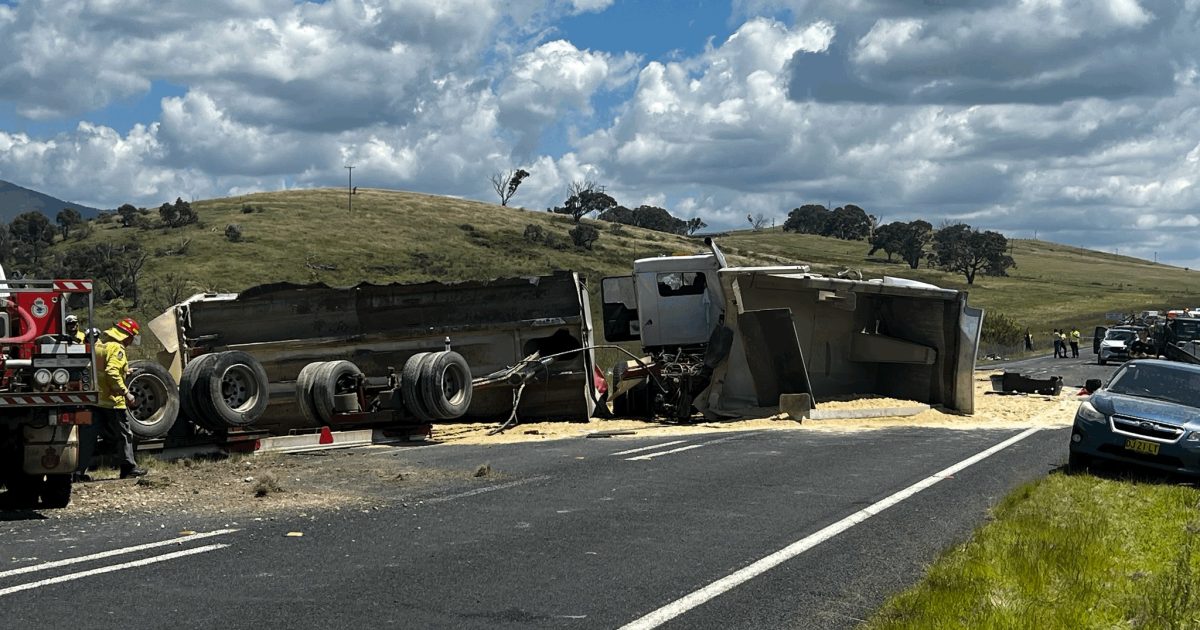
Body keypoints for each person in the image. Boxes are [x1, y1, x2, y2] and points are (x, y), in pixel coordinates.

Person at [75, 317, 146, 481]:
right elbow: (112, 373)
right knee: (124, 435)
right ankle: (128, 468)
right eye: (131, 338)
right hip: (112, 403)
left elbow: (101, 370)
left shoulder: (101, 347)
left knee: (87, 438)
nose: (130, 341)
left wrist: (125, 371)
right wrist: (126, 393)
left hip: (95, 401)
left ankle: (78, 473)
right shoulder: (117, 349)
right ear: (127, 336)